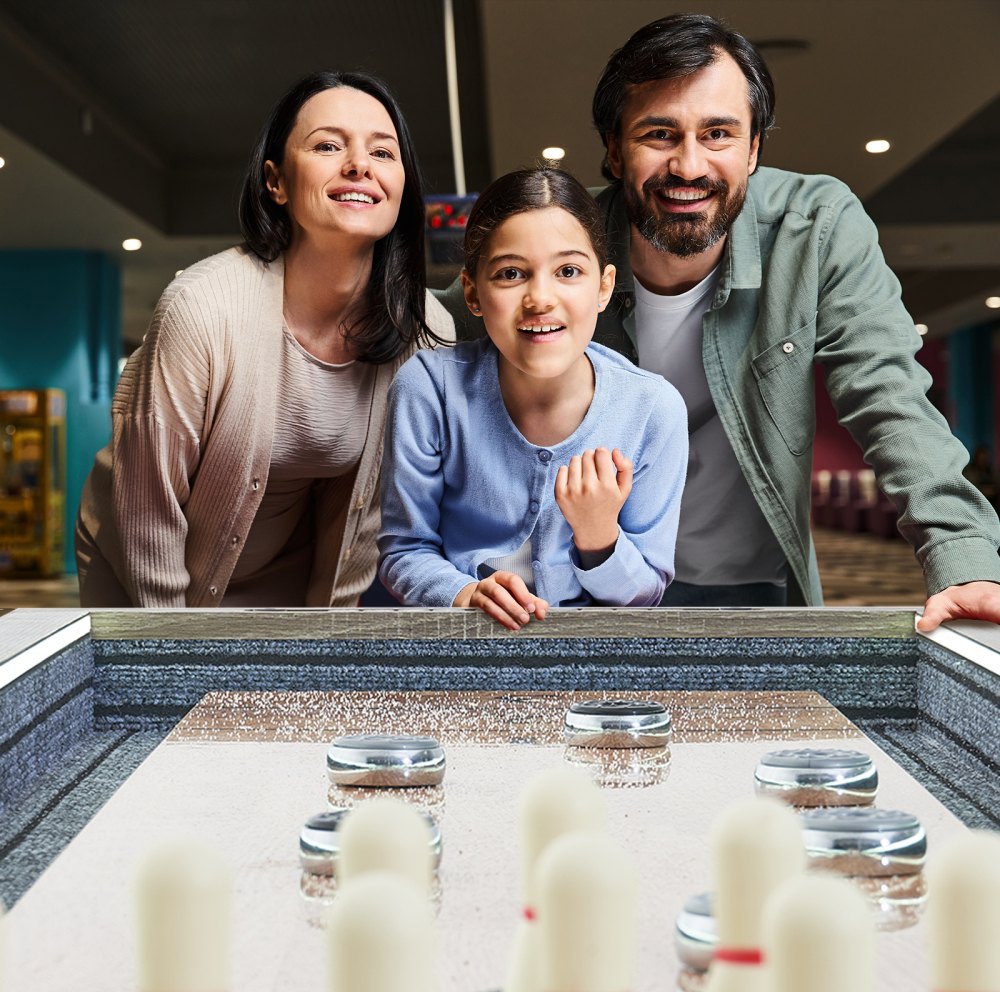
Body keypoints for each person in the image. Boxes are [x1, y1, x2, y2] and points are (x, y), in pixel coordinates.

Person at [437, 13, 1000, 631]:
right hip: (581, 595)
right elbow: (440, 320)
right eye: (659, 133)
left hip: (753, 589)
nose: (688, 166)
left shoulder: (815, 230)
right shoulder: (565, 248)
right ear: (613, 150)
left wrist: (963, 558)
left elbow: (890, 398)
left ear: (754, 148)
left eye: (718, 134)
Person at [76, 71, 454, 607]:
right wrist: (175, 650)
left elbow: (368, 520)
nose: (359, 166)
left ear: (401, 188)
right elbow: (147, 510)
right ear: (276, 182)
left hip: (285, 574)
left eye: (383, 152)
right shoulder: (203, 308)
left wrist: (330, 633)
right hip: (138, 570)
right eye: (327, 145)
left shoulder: (425, 330)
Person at [379, 168, 688, 630]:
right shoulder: (428, 390)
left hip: (594, 665)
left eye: (568, 271)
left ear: (603, 287)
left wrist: (598, 534)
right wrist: (462, 594)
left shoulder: (652, 409)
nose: (540, 298)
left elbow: (645, 594)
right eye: (510, 273)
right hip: (465, 654)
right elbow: (404, 551)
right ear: (473, 292)